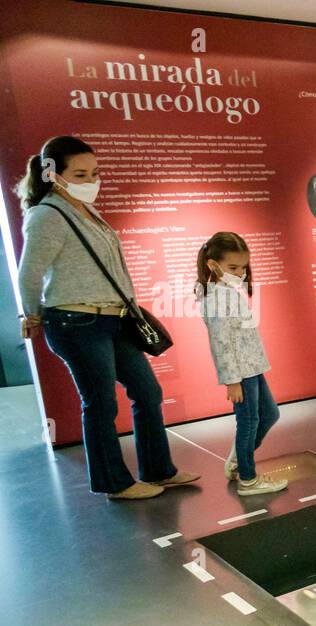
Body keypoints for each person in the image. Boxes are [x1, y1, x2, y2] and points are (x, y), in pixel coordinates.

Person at [15, 135, 198, 500]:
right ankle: (114, 482)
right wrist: (32, 314)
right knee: (100, 402)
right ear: (53, 173)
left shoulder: (87, 212)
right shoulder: (47, 215)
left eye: (94, 172)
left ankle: (159, 469)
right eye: (80, 174)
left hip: (113, 319)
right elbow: (30, 272)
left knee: (148, 392)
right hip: (75, 322)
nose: (90, 181)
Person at [196, 231, 286, 497]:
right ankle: (247, 478)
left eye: (242, 267)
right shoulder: (214, 298)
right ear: (213, 265)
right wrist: (232, 380)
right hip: (241, 373)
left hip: (253, 367)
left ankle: (238, 460)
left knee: (269, 415)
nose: (240, 272)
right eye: (232, 267)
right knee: (248, 421)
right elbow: (220, 344)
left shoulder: (229, 293)